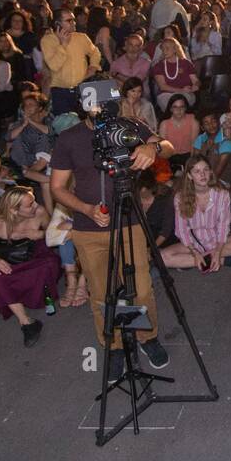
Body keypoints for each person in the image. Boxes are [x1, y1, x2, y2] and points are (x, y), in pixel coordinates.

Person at [49, 85, 177, 384]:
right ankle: (115, 346)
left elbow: (168, 146)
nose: (103, 109)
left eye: (109, 103)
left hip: (130, 222)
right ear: (84, 105)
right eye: (97, 104)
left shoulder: (130, 125)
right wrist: (86, 208)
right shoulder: (69, 138)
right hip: (88, 230)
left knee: (141, 289)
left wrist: (152, 147)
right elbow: (56, 188)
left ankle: (148, 337)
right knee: (102, 294)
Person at [0, 185, 64, 346]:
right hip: (12, 260)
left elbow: (55, 236)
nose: (35, 206)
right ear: (13, 210)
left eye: (34, 201)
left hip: (37, 256)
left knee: (50, 264)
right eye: (30, 205)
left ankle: (7, 294)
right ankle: (27, 323)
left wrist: (40, 234)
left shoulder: (39, 212)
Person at [160, 156, 231, 272]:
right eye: (197, 171)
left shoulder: (222, 195)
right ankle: (218, 260)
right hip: (193, 242)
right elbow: (182, 230)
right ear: (189, 176)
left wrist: (218, 251)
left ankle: (194, 261)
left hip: (216, 240)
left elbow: (223, 226)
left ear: (210, 172)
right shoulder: (180, 197)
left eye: (205, 169)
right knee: (162, 257)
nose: (203, 174)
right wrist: (194, 252)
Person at [39, 9, 102, 116]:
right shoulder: (48, 40)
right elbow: (54, 66)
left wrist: (94, 66)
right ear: (58, 24)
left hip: (85, 88)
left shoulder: (81, 37)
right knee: (65, 126)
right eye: (69, 20)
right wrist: (63, 45)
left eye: (74, 20)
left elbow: (95, 52)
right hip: (61, 91)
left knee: (90, 122)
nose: (74, 22)